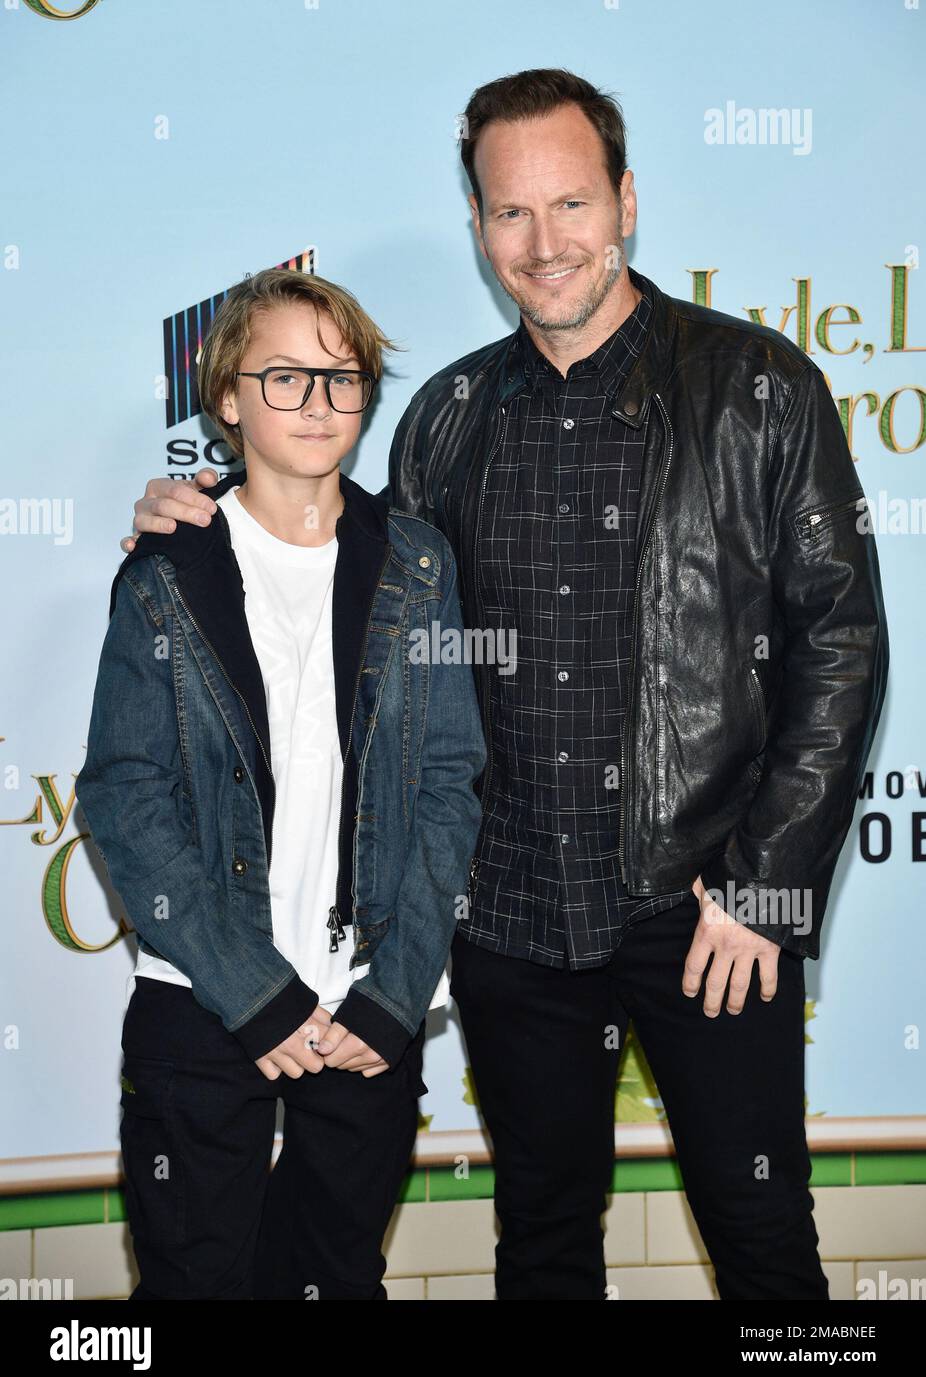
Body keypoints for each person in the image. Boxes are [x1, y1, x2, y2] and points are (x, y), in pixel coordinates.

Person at [121, 69, 889, 1300]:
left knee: (764, 1247)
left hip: (707, 915)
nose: (543, 244)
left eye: (570, 205)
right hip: (513, 926)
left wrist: (764, 882)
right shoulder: (446, 416)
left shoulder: (759, 388)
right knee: (539, 1243)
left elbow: (840, 642)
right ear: (478, 226)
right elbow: (341, 567)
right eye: (509, 214)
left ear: (626, 202)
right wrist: (200, 511)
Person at [76, 268, 486, 1300]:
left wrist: (394, 1001)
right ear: (227, 397)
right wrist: (254, 996)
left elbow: (447, 783)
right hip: (204, 1000)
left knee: (334, 1280)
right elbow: (125, 794)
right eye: (286, 377)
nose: (317, 405)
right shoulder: (169, 568)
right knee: (194, 1285)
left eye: (340, 379)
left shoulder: (418, 567)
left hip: (363, 1011)